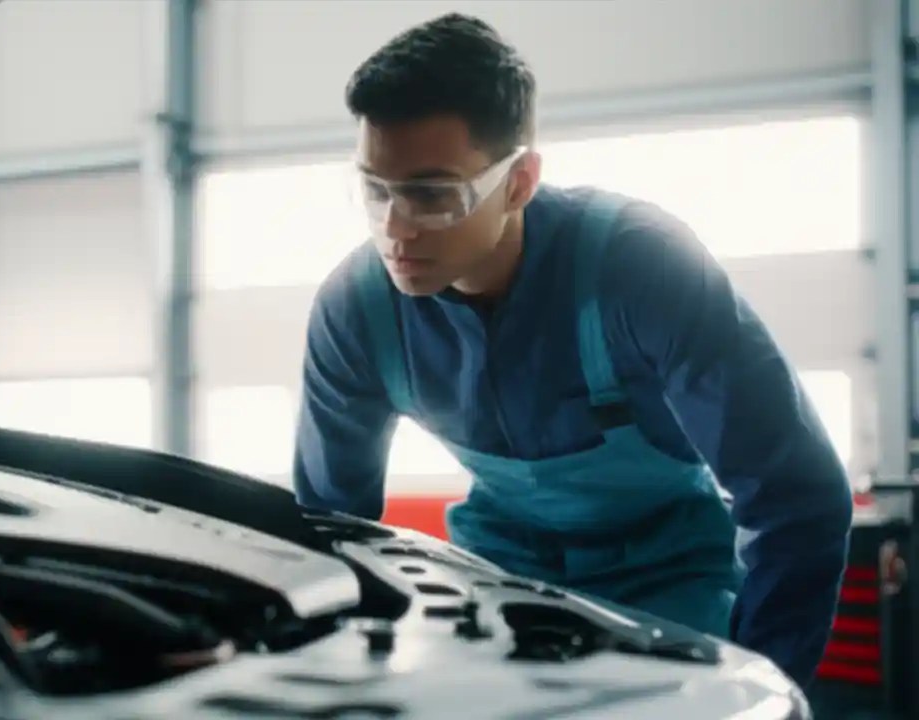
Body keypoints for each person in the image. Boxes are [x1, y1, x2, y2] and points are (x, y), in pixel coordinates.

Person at [292, 13, 852, 689]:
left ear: (521, 181)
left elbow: (794, 492)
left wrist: (765, 681)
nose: (393, 229)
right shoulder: (354, 310)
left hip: (673, 585)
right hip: (497, 579)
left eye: (432, 195)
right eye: (374, 190)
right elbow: (329, 530)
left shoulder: (641, 270)